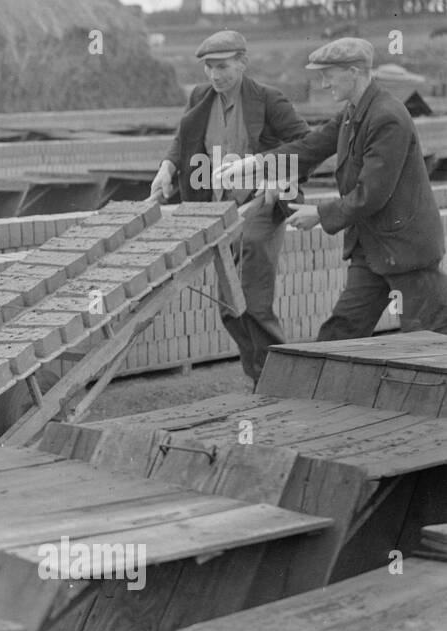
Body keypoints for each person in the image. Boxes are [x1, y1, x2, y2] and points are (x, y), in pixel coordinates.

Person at [217, 37, 447, 341]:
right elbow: (311, 146)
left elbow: (371, 194)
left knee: (427, 341)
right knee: (340, 334)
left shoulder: (387, 117)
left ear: (353, 72)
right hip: (372, 249)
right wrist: (253, 164)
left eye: (328, 74)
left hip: (407, 252)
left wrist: (319, 213)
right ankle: (314, 390)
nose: (323, 84)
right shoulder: (353, 112)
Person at [150, 30, 311, 382]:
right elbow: (184, 137)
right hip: (219, 212)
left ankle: (280, 379)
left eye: (222, 66)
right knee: (230, 309)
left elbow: (306, 143)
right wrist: (168, 167)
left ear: (243, 63)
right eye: (208, 67)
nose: (214, 75)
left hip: (259, 210)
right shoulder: (201, 96)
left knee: (253, 305)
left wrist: (277, 175)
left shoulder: (268, 100)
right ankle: (261, 379)